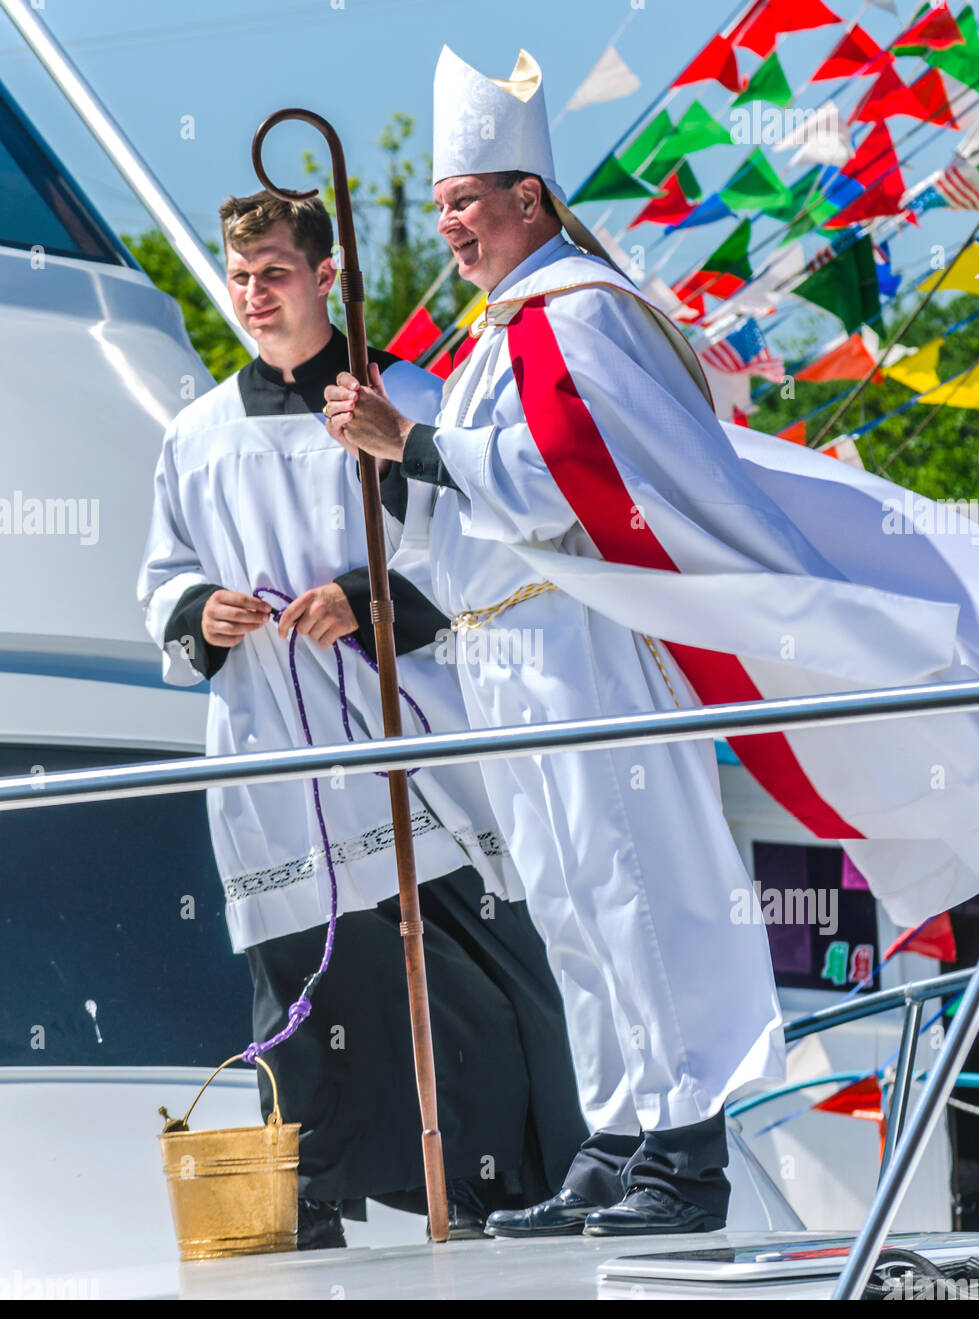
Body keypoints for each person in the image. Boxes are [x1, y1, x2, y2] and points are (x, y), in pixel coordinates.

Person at [326, 46, 979, 1237]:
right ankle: (617, 1133)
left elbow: (579, 477)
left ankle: (686, 1150)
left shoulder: (580, 315)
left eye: (464, 203)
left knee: (635, 882)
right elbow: (469, 513)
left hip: (590, 648)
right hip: (511, 657)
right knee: (569, 899)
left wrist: (410, 445)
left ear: (530, 198)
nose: (452, 228)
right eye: (440, 210)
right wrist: (388, 452)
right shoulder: (497, 334)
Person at [137, 189, 586, 1248]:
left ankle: (517, 1202)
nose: (254, 293)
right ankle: (305, 1222)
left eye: (276, 271)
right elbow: (161, 582)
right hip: (274, 772)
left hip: (411, 753)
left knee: (483, 998)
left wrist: (372, 595)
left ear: (326, 276)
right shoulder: (193, 437)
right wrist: (205, 610)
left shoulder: (411, 403)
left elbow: (493, 556)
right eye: (241, 276)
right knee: (305, 1016)